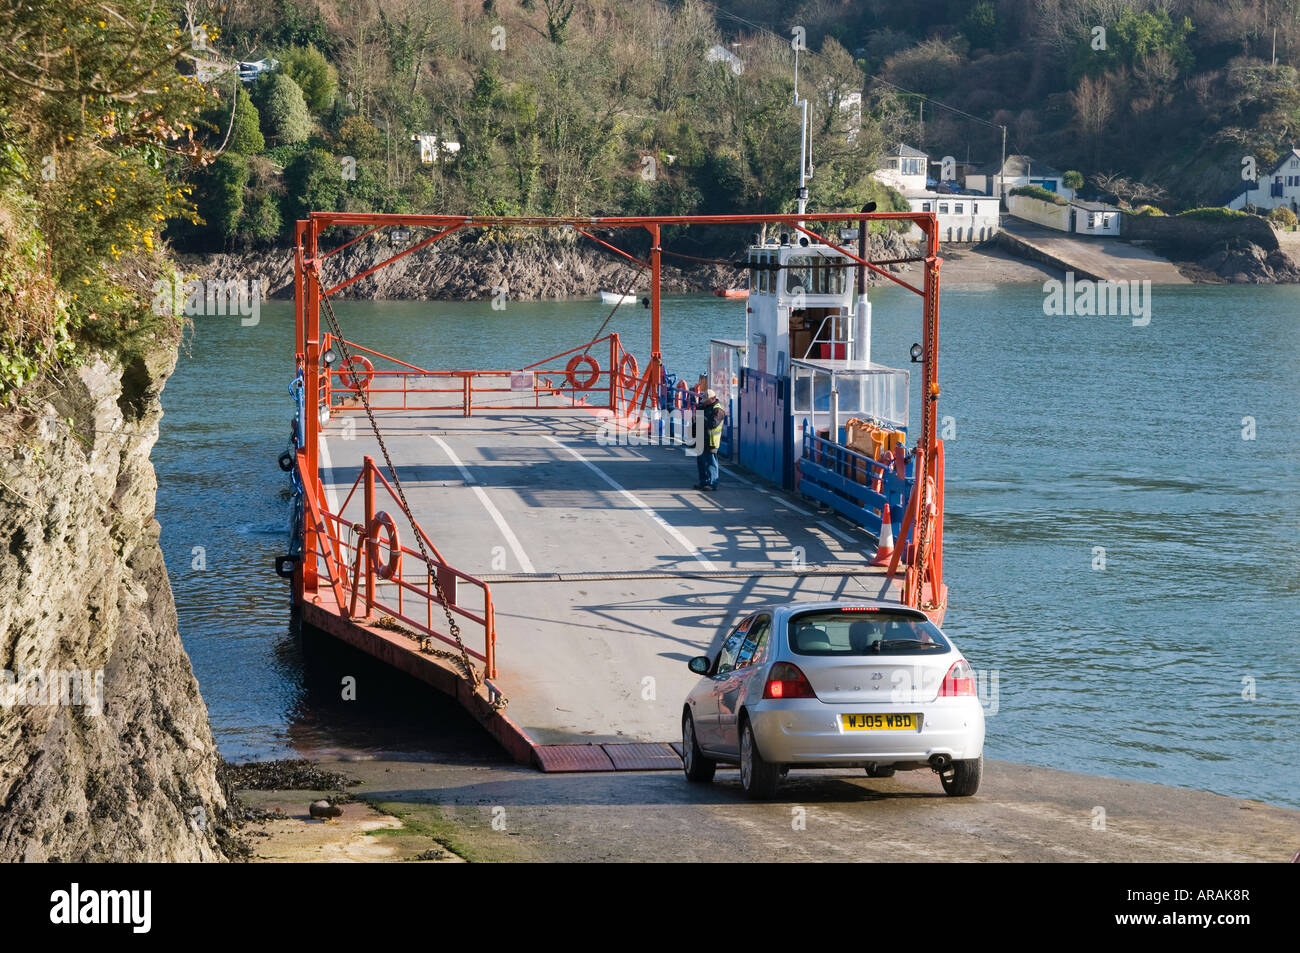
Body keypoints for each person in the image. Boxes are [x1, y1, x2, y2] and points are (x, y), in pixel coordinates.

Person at [693, 389, 726, 491]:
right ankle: (703, 482)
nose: (704, 402)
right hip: (701, 439)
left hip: (711, 441)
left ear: (713, 399)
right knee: (701, 462)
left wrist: (701, 417)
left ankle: (712, 483)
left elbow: (712, 424)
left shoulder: (718, 410)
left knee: (711, 462)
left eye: (706, 400)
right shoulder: (704, 407)